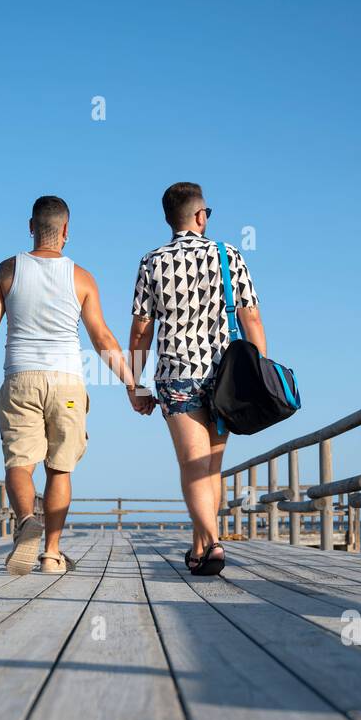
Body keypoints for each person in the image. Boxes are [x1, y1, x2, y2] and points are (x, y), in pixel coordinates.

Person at [0, 195, 149, 574]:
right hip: (67, 384)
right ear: (66, 230)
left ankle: (24, 521)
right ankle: (51, 553)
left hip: (20, 378)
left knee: (20, 462)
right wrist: (132, 384)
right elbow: (102, 337)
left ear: (31, 227)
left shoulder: (7, 269)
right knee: (59, 469)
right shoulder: (81, 277)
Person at [129, 182, 266, 575]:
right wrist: (260, 369)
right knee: (211, 466)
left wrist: (132, 383)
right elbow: (250, 317)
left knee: (192, 464)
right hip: (226, 374)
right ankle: (202, 546)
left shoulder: (152, 262)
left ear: (170, 218)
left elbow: (141, 329)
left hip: (177, 373)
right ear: (201, 216)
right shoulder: (229, 255)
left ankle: (212, 543)